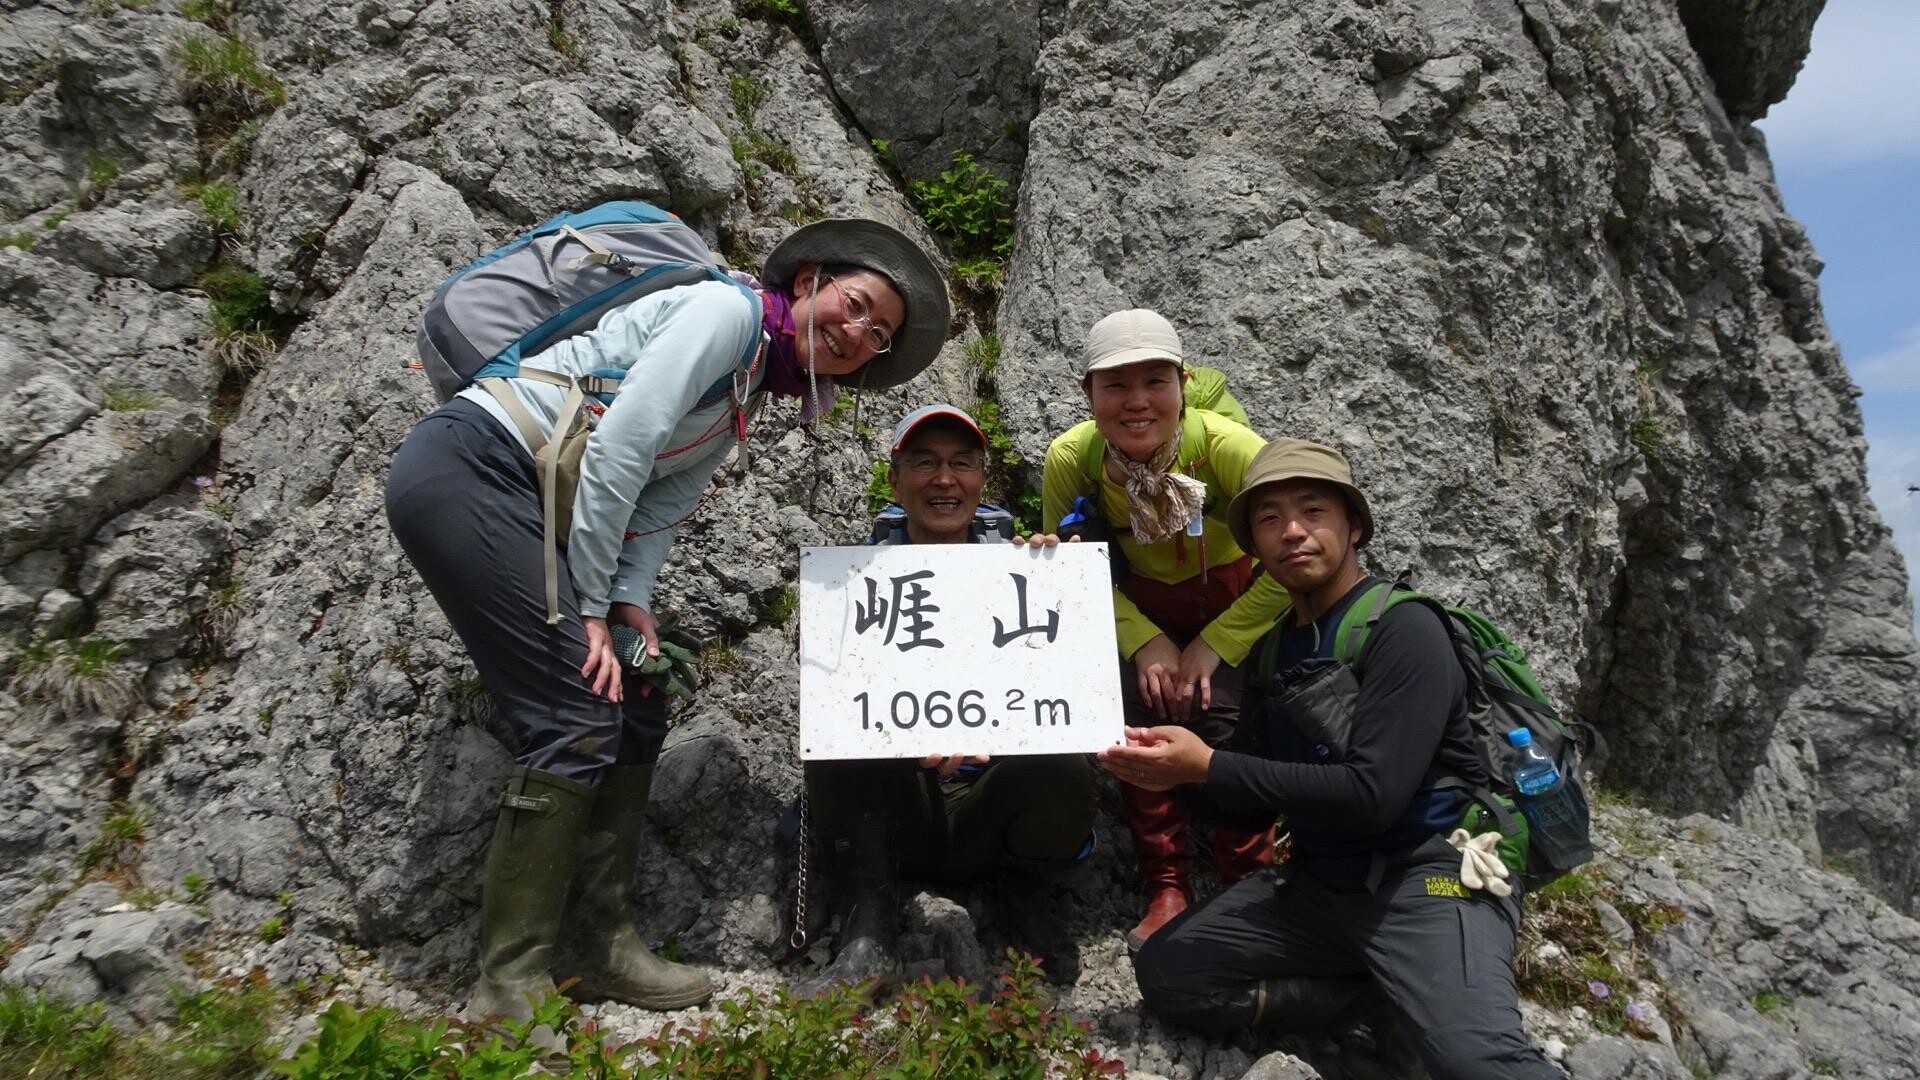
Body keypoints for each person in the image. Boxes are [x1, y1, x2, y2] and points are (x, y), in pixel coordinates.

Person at [385, 218, 949, 1026]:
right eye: (855, 304)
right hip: (475, 467)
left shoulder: (748, 384)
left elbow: (658, 504)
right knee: (574, 710)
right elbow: (624, 445)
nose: (859, 334)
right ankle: (508, 991)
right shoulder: (726, 314)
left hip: (531, 499)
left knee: (639, 693)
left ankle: (596, 941)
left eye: (879, 335)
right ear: (809, 281)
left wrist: (628, 607)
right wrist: (586, 606)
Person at [1106, 438, 1559, 1079]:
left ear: (1354, 526)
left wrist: (1205, 765)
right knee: (1168, 972)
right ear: (1255, 549)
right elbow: (1246, 801)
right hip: (1322, 886)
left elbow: (1374, 793)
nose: (1292, 532)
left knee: (1475, 1062)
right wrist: (1156, 769)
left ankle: (1416, 996)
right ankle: (1375, 996)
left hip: (1427, 881)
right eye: (1269, 520)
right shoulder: (1274, 647)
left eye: (1313, 511)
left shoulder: (1407, 631)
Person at [799, 404, 1100, 989]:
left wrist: (1055, 580)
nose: (945, 479)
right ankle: (868, 932)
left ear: (982, 479)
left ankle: (1027, 903)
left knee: (1065, 758)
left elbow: (1060, 700)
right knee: (834, 738)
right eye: (925, 463)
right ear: (894, 478)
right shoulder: (854, 585)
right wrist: (897, 745)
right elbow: (845, 709)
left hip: (993, 810)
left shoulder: (1025, 571)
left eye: (962, 463)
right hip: (899, 816)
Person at [1040, 309, 1284, 949]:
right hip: (1138, 610)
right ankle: (1167, 884)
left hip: (1236, 606)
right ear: (1088, 394)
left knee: (1231, 729)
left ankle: (1249, 882)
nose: (1137, 401)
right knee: (1132, 730)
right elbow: (1069, 568)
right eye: (1115, 386)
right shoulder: (1073, 458)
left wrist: (1216, 644)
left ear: (1182, 382)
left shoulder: (1228, 449)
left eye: (1155, 381)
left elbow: (1293, 561)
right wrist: (1144, 640)